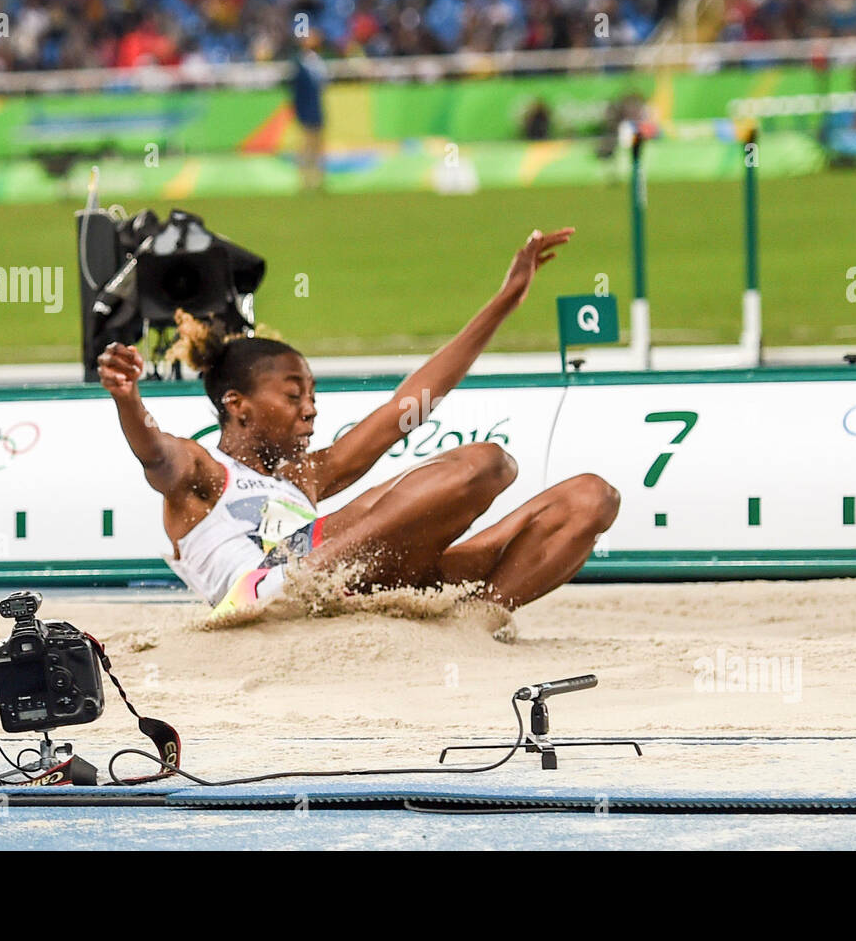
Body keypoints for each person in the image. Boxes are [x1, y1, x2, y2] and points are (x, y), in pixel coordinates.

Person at [97, 228, 620, 619]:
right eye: (293, 394)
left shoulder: (306, 475)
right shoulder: (203, 471)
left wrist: (506, 301)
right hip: (263, 595)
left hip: (353, 585)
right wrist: (127, 398)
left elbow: (411, 406)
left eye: (313, 395)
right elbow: (153, 453)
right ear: (239, 405)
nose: (311, 408)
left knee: (587, 497)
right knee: (481, 462)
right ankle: (330, 573)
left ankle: (479, 619)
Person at [289, 30, 327, 190]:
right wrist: (299, 111)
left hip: (317, 111)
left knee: (317, 147)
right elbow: (296, 92)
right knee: (306, 147)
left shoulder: (318, 63)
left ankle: (317, 180)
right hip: (306, 112)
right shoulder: (300, 64)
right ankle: (305, 180)